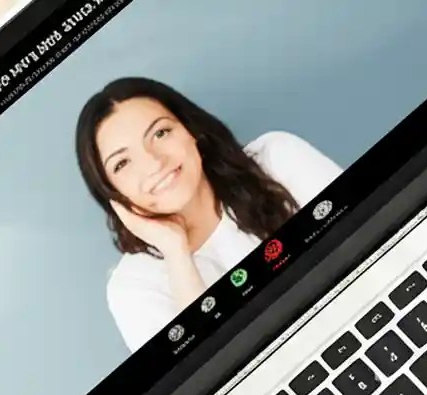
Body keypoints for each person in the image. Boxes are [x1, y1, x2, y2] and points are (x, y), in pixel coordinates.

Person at [75, 77, 342, 351]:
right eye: (122, 163)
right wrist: (176, 252)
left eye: (160, 133)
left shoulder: (277, 159)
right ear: (111, 192)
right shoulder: (133, 287)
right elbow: (218, 375)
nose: (154, 163)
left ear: (191, 130)